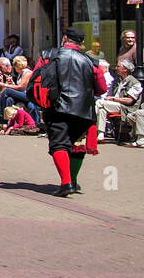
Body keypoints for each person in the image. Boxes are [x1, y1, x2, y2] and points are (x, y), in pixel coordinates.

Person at [40, 27, 103, 195]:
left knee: (59, 144)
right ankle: (73, 181)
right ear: (81, 42)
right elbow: (102, 88)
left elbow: (38, 80)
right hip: (84, 110)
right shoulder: (91, 61)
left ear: (65, 38)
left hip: (57, 107)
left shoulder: (49, 55)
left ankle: (66, 183)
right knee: (76, 145)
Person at [93, 59, 142, 141]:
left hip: (126, 108)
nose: (116, 68)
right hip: (115, 105)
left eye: (118, 66)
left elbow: (129, 101)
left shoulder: (135, 83)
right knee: (102, 109)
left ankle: (88, 125)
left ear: (125, 69)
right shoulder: (118, 81)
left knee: (99, 103)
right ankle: (100, 135)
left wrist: (113, 99)